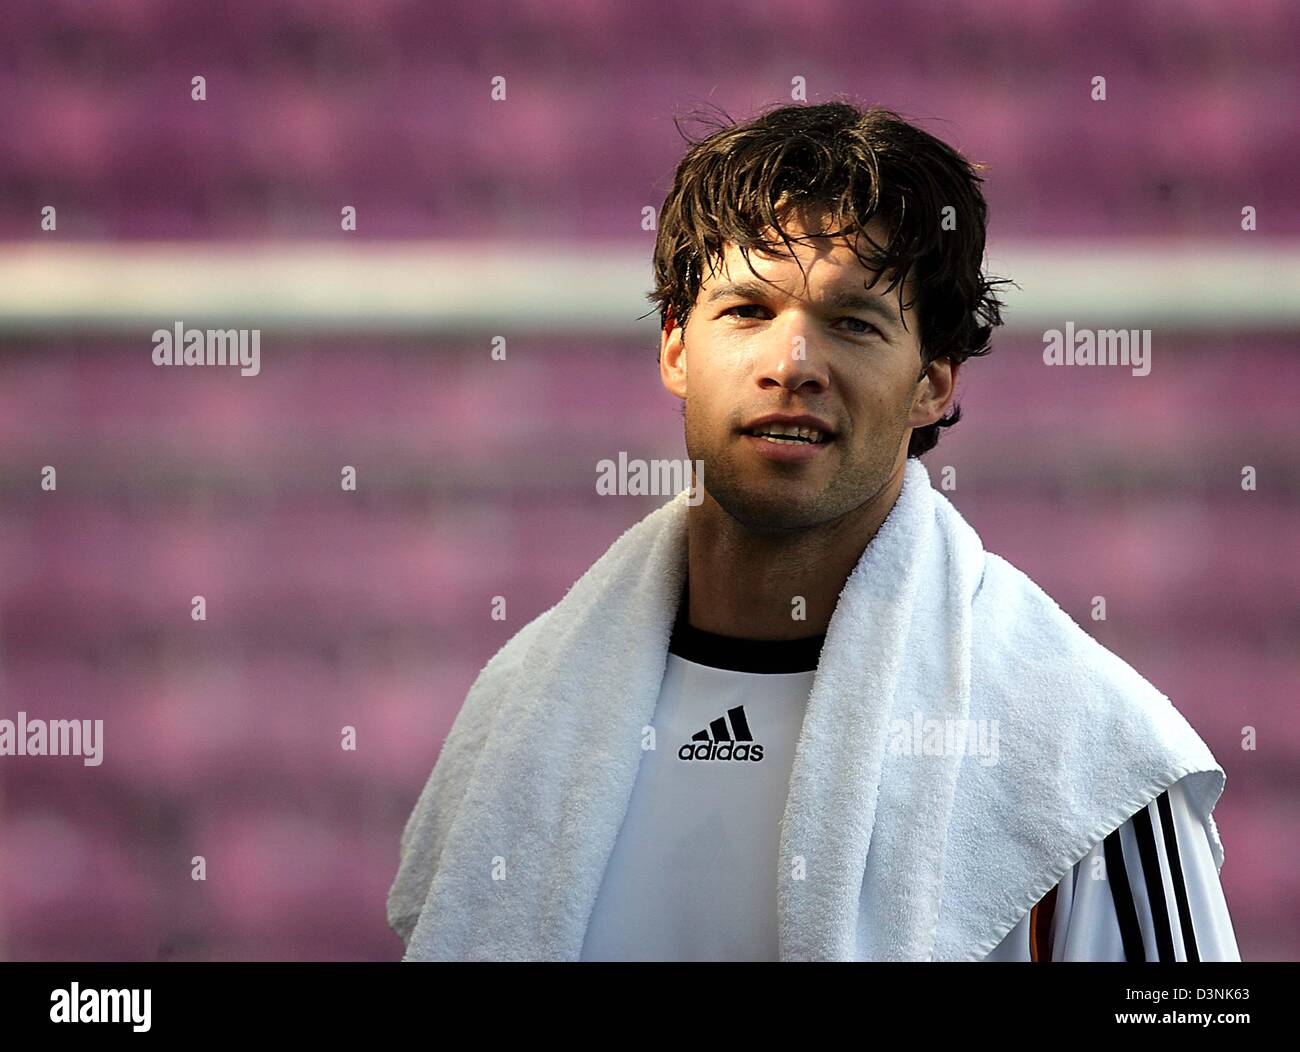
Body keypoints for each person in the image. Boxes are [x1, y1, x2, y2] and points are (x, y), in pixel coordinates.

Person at [388, 101, 1239, 961]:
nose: (791, 365)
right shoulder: (517, 708)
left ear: (932, 385)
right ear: (676, 349)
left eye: (854, 323)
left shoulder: (1087, 758)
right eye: (748, 311)